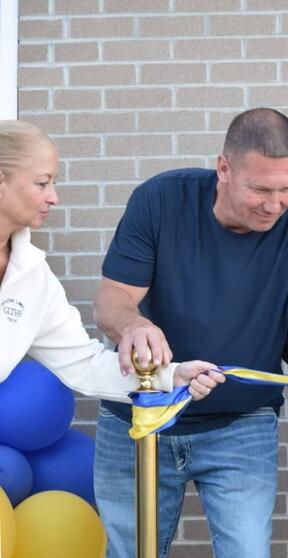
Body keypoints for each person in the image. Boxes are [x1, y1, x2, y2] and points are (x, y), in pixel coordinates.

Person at [92, 108, 288, 558]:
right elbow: (111, 301)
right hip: (139, 421)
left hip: (239, 427)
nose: (275, 205)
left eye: (285, 189)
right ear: (223, 169)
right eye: (260, 190)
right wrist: (135, 324)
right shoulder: (161, 200)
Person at [0, 119, 219, 403]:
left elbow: (84, 364)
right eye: (42, 183)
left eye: (54, 183)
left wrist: (169, 376)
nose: (54, 198)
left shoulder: (32, 274)